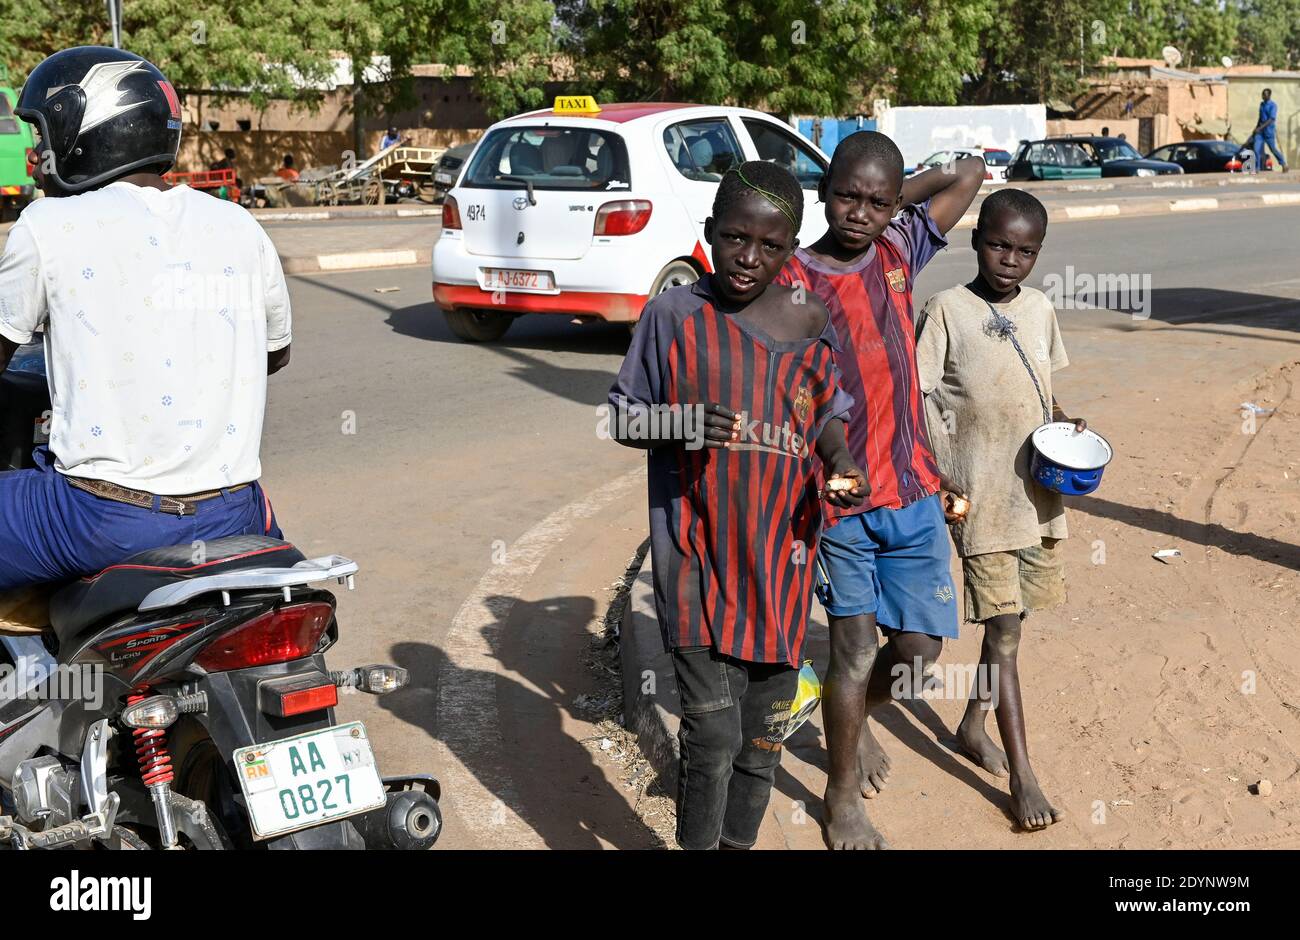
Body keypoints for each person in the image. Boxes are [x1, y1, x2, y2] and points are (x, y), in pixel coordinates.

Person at [608, 161, 866, 850]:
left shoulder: (811, 318)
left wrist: (840, 461)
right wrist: (682, 423)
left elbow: (826, 414)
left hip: (780, 564)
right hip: (696, 558)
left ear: (791, 248)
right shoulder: (674, 317)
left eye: (770, 245)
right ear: (709, 233)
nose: (748, 258)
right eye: (733, 238)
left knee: (761, 741)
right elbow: (624, 417)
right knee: (714, 733)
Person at [0, 46, 291, 594]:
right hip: (236, 512)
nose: (36, 155)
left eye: (42, 135)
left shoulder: (48, 224)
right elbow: (274, 354)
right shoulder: (239, 225)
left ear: (83, 130)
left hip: (99, 519)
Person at [774, 131, 984, 849]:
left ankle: (849, 718)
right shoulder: (793, 277)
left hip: (915, 491)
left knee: (920, 654)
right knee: (856, 649)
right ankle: (840, 800)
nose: (858, 212)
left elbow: (973, 172)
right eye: (845, 194)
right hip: (839, 501)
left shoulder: (899, 251)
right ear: (823, 190)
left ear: (894, 203)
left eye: (876, 200)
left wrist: (909, 191)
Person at [915, 188, 1084, 830]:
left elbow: (1044, 393)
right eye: (998, 244)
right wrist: (940, 477)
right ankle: (1023, 775)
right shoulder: (948, 311)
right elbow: (919, 398)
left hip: (1035, 498)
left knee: (1011, 626)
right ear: (976, 238)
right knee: (1006, 632)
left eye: (1025, 250)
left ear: (1038, 254)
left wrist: (1067, 427)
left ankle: (971, 722)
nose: (1010, 259)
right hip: (978, 498)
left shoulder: (1039, 311)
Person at [1253, 89, 1288, 173]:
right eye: (1262, 94)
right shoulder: (1261, 105)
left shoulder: (1273, 105)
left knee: (1273, 149)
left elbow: (1271, 119)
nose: (1263, 96)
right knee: (1256, 149)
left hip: (1268, 132)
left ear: (1269, 95)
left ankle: (1283, 163)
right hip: (1260, 133)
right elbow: (1260, 118)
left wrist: (1260, 128)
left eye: (1265, 94)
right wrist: (1256, 128)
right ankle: (1257, 168)